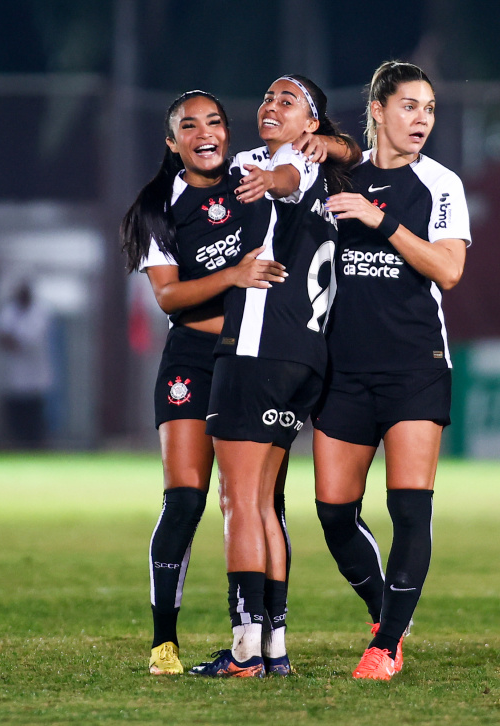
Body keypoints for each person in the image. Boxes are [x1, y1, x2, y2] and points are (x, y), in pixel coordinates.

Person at [189, 75, 359, 678]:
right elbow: (338, 156)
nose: (270, 105)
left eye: (287, 101)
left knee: (238, 502)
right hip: (303, 358)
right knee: (263, 504)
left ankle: (242, 653)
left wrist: (274, 176)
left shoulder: (290, 161)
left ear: (310, 124)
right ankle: (273, 649)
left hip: (259, 349)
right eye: (266, 97)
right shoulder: (311, 160)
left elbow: (287, 175)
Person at [120, 90, 290, 676]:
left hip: (251, 357)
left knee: (258, 501)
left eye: (214, 121)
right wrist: (235, 273)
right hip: (193, 358)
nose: (204, 132)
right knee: (186, 498)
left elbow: (308, 166)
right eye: (188, 126)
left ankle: (269, 642)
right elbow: (169, 296)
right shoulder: (157, 209)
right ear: (173, 143)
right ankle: (163, 641)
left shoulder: (250, 175)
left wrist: (305, 153)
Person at [313, 60, 472, 680]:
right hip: (345, 372)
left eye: (430, 109)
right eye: (410, 106)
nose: (422, 119)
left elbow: (449, 270)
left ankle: (383, 648)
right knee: (333, 513)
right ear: (377, 109)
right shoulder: (338, 178)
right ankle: (389, 617)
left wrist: (383, 222)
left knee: (410, 510)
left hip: (415, 367)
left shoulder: (441, 185)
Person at [0, 281, 53, 447]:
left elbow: (25, 342)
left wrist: (10, 339)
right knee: (14, 425)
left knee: (33, 426)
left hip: (34, 383)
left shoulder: (39, 313)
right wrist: (8, 340)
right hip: (12, 381)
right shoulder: (10, 311)